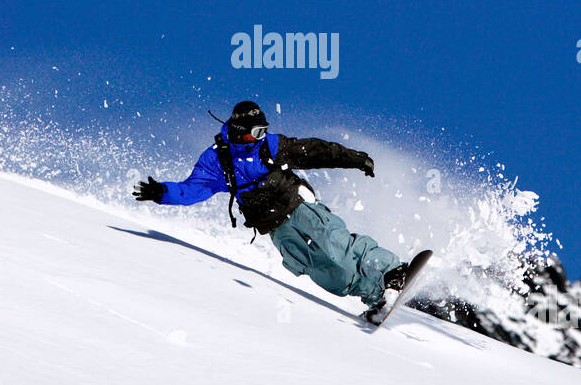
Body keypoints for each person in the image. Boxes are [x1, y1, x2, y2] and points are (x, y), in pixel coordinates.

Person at [132, 100, 411, 314]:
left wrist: (356, 159)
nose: (263, 135)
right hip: (273, 226)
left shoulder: (271, 145)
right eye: (257, 131)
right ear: (241, 133)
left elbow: (315, 151)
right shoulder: (217, 162)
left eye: (265, 129)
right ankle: (377, 297)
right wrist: (162, 192)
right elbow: (193, 189)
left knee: (335, 243)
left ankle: (392, 271)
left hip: (297, 203)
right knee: (327, 273)